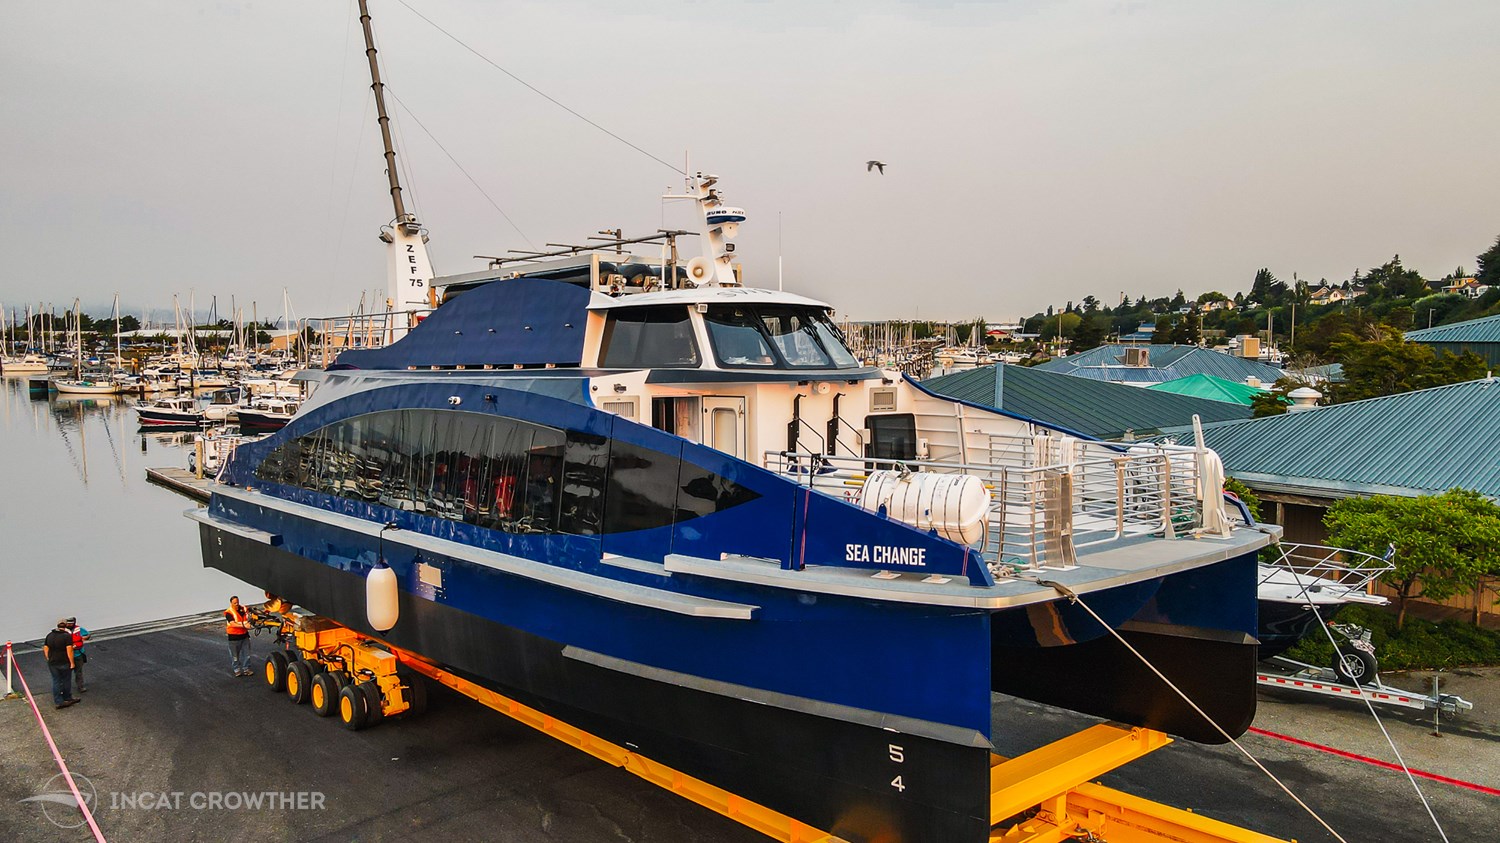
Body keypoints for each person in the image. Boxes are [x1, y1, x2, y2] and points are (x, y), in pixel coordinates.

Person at [42, 620, 80, 709]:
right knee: (66, 680)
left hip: (52, 662)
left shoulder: (50, 635)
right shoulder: (66, 636)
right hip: (64, 662)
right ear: (66, 626)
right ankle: (67, 697)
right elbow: (69, 650)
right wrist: (72, 662)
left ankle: (58, 701)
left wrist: (48, 658)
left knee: (56, 681)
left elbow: (45, 647)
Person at [225, 596, 252, 677]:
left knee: (247, 655)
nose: (237, 604)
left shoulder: (243, 609)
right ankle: (237, 670)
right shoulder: (229, 612)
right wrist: (244, 626)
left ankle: (246, 669)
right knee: (235, 656)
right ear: (231, 603)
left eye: (237, 602)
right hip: (234, 638)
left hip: (244, 636)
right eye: (235, 603)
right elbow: (232, 623)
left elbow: (251, 613)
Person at [66, 617, 91, 693]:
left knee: (78, 672)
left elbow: (88, 635)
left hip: (78, 654)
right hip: (67, 655)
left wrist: (85, 638)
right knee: (66, 673)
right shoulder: (64, 631)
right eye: (68, 623)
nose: (69, 625)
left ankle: (80, 686)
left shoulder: (79, 629)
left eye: (71, 623)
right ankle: (65, 688)